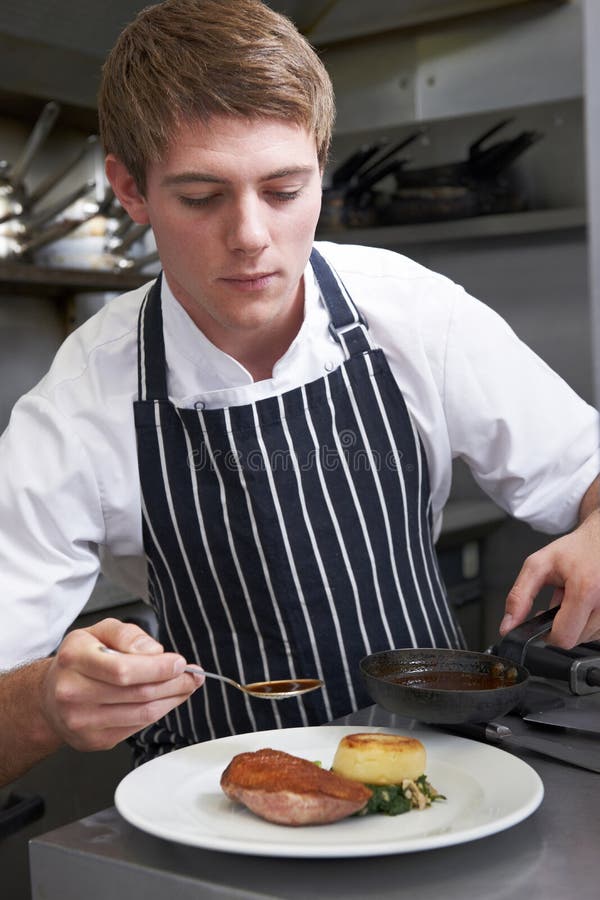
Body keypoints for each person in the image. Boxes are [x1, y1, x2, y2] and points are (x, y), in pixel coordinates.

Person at [0, 0, 598, 787]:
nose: (251, 236)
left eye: (283, 190)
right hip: (211, 809)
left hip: (441, 783)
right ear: (130, 190)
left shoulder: (413, 312)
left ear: (321, 164)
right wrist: (46, 701)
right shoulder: (78, 405)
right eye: (201, 197)